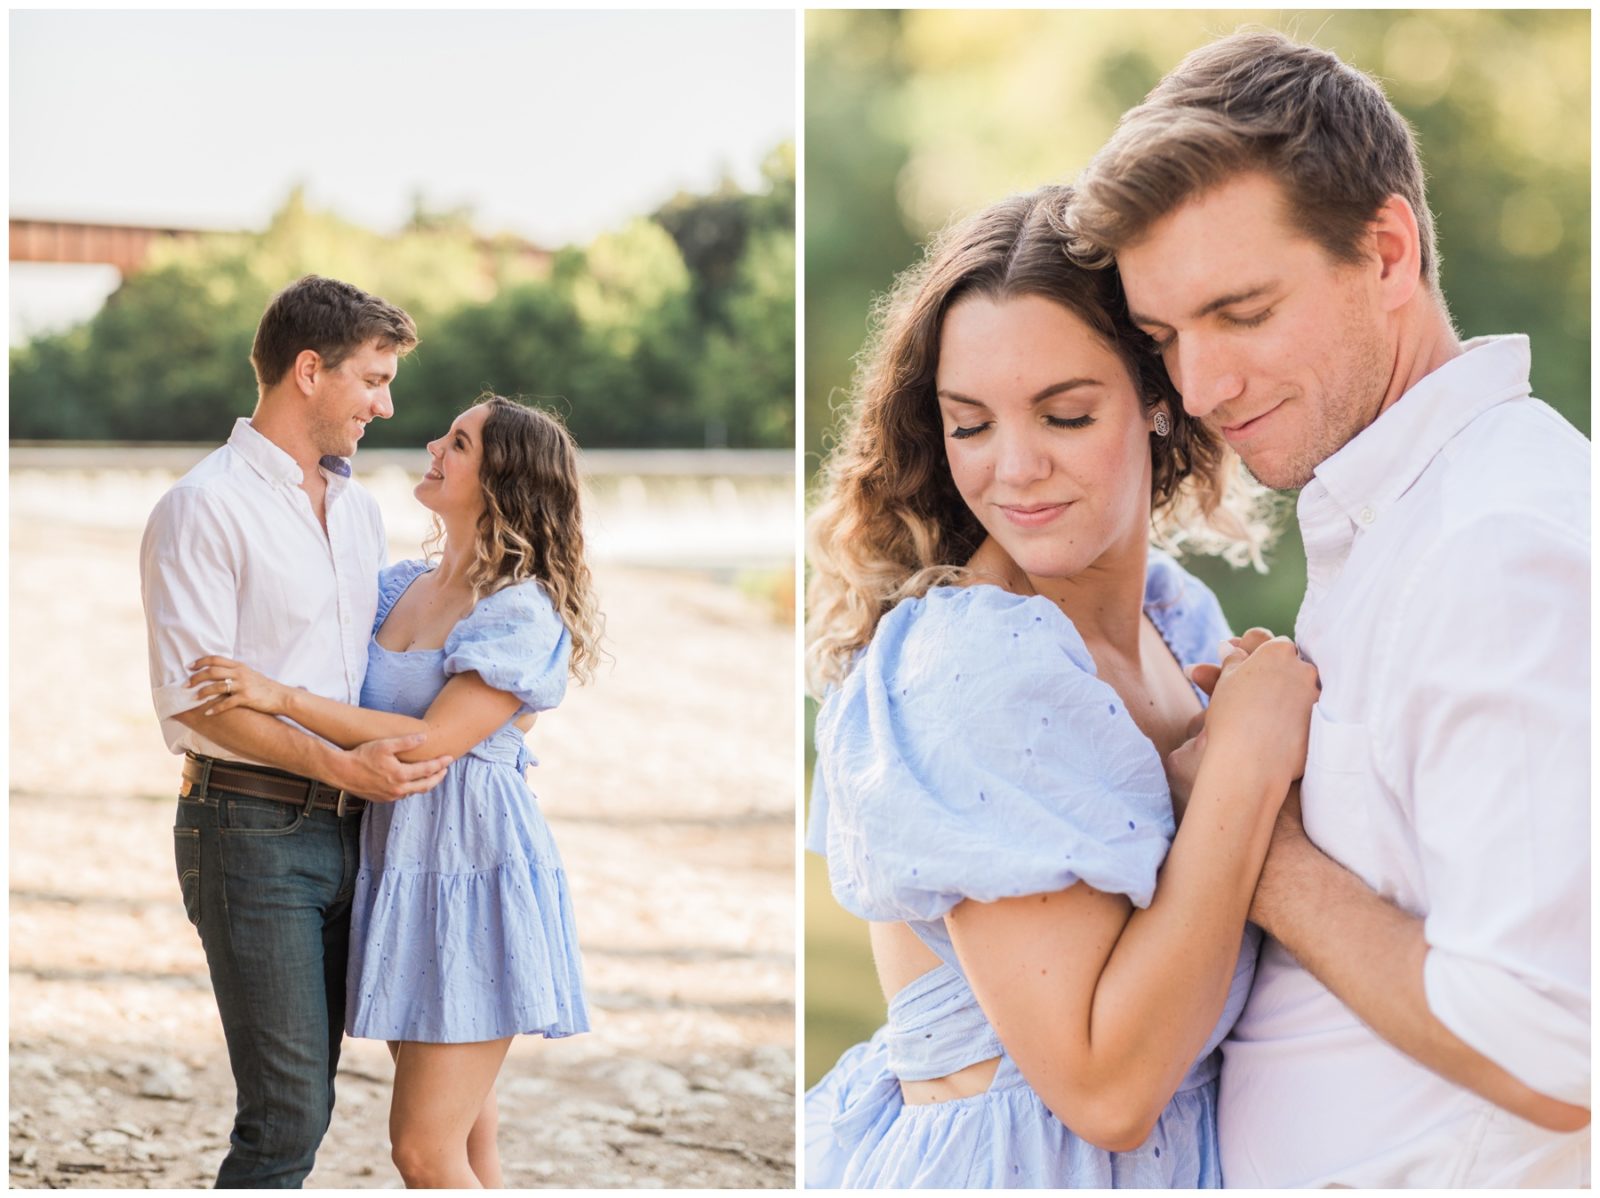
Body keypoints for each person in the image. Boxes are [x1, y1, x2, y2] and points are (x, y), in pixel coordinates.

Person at [1069, 29, 1590, 1187]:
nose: (1199, 389)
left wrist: (1253, 842)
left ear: (1388, 251)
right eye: (1163, 339)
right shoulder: (1397, 523)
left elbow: (1555, 1048)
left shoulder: (1498, 546)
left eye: (1241, 313)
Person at [802, 185, 1321, 1187]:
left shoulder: (1178, 622)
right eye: (970, 426)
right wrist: (1244, 766)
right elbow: (1104, 1091)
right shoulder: (975, 665)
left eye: (1066, 413)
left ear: (1161, 395)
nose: (1015, 470)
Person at [185, 395, 603, 1188]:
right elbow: (323, 652)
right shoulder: (396, 587)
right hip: (397, 867)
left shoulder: (520, 609)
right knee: (472, 1150)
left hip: (473, 871)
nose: (432, 446)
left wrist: (279, 698)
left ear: (504, 478)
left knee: (422, 1149)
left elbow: (427, 742)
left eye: (460, 442)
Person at [140, 275, 452, 1188]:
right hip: (246, 830)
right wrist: (346, 768)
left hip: (357, 833)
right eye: (373, 379)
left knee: (339, 1090)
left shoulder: (358, 511)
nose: (386, 405)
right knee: (285, 1112)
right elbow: (200, 703)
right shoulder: (204, 506)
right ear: (309, 371)